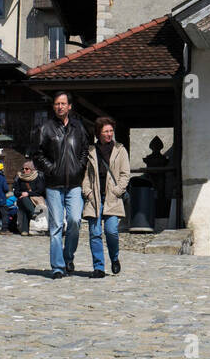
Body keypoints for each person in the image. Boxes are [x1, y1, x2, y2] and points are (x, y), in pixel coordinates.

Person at [31, 91, 89, 279]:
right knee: (56, 225)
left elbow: (85, 150)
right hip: (54, 184)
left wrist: (79, 168)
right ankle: (57, 266)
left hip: (74, 183)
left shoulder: (78, 128)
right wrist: (51, 169)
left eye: (63, 103)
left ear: (70, 106)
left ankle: (68, 256)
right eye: (57, 104)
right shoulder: (45, 128)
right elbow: (37, 154)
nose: (60, 107)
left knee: (74, 221)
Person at [82, 117, 129, 278]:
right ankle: (99, 267)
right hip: (94, 197)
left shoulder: (120, 149)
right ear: (98, 133)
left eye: (111, 131)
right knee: (94, 233)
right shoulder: (91, 151)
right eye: (105, 131)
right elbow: (86, 176)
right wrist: (87, 191)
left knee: (111, 231)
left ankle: (114, 258)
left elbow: (125, 174)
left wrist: (118, 190)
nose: (109, 134)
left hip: (112, 197)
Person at [13, 161, 41, 236]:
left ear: (32, 169)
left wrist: (28, 193)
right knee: (24, 200)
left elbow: (40, 191)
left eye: (27, 169)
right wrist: (22, 194)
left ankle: (25, 230)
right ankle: (33, 213)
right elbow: (15, 192)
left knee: (25, 209)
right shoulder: (20, 178)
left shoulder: (37, 178)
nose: (24, 170)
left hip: (34, 200)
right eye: (23, 169)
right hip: (21, 199)